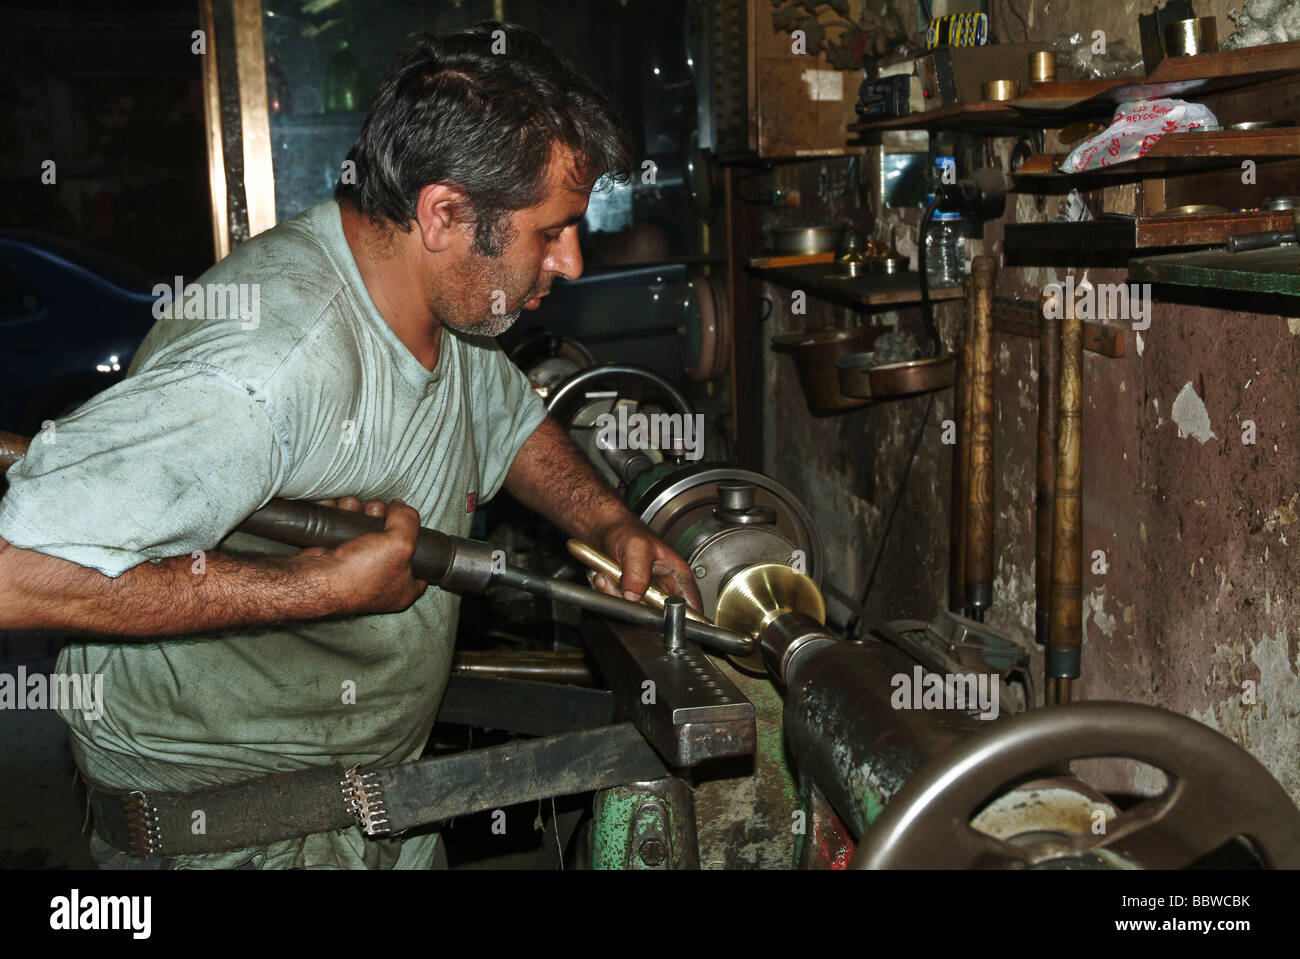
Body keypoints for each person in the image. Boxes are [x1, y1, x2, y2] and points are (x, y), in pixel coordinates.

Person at [0, 21, 701, 869]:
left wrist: (609, 519)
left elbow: (507, 420)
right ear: (444, 213)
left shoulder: (446, 305)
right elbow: (14, 574)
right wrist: (311, 588)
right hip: (235, 831)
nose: (575, 262)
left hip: (368, 797)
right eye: (549, 231)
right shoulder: (267, 366)